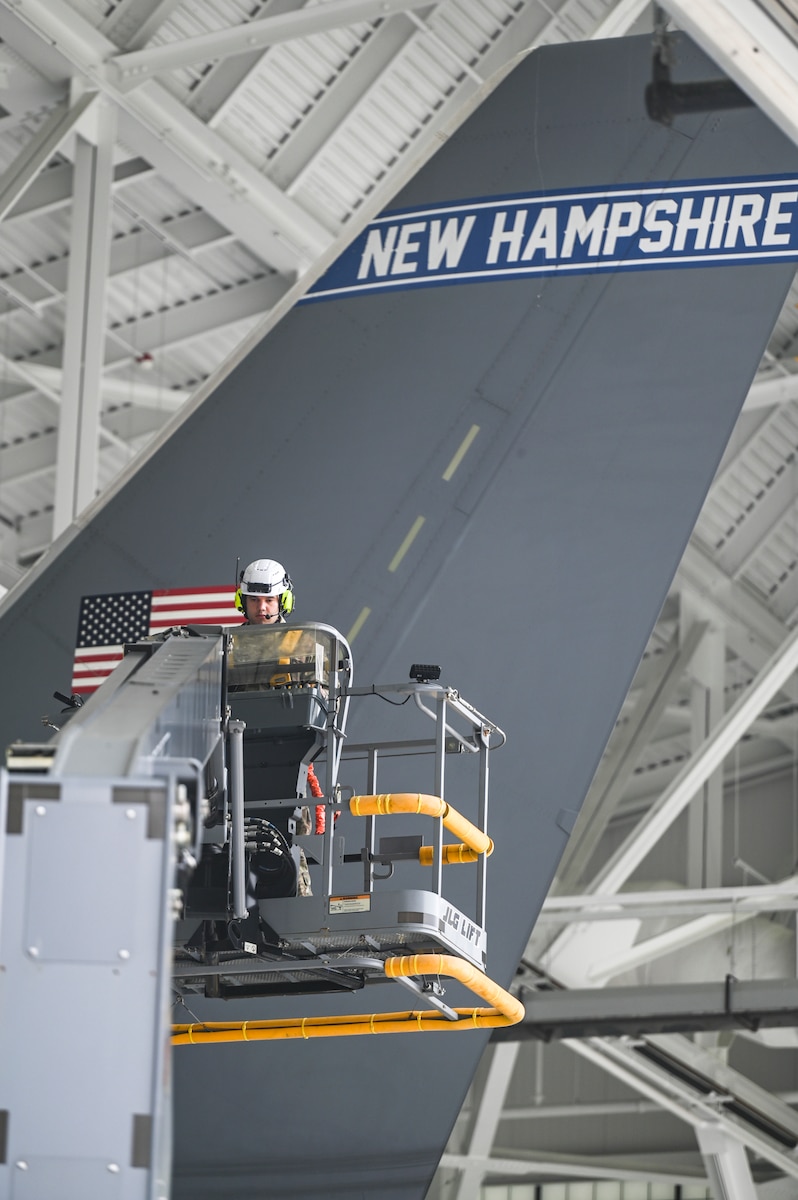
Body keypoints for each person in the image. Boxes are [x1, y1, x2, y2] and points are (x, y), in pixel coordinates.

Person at [235, 557, 317, 895]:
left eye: (269, 600)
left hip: (286, 755)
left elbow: (315, 699)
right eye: (254, 600)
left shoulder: (303, 643)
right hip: (235, 754)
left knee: (288, 837)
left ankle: (297, 905)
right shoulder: (228, 645)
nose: (262, 608)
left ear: (282, 600)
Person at [235, 558, 294, 625]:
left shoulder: (301, 635)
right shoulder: (233, 635)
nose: (261, 607)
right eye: (254, 600)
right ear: (242, 602)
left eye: (269, 600)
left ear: (283, 602)